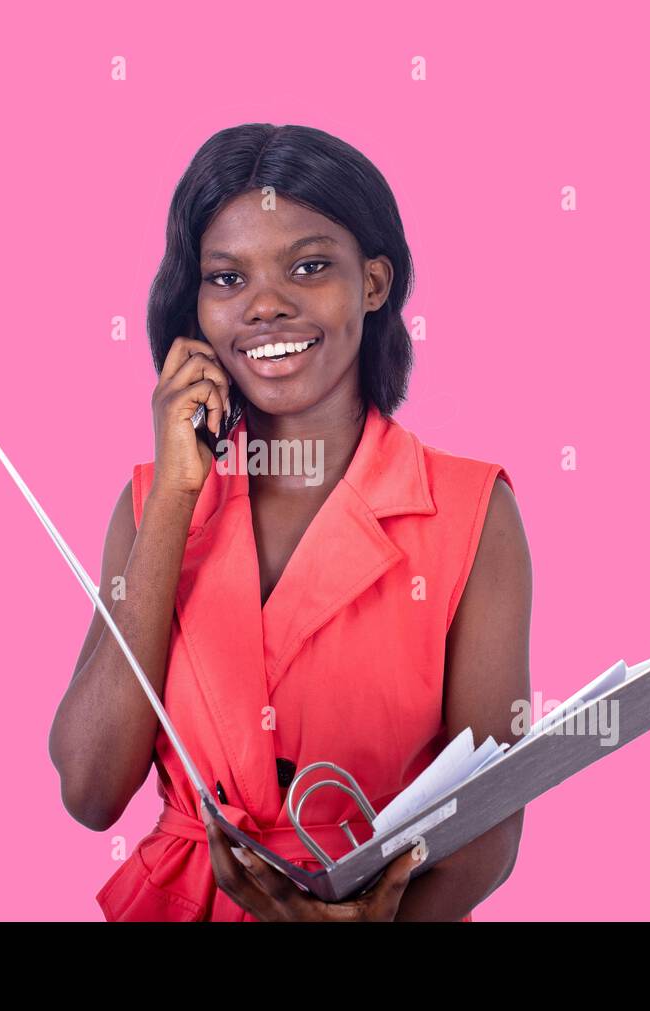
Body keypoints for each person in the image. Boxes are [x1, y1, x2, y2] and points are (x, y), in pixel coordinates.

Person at [49, 124, 532, 921]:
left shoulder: (472, 512)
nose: (266, 304)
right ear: (195, 305)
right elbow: (91, 787)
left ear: (373, 282)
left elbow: (493, 809)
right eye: (227, 277)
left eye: (309, 266)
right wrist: (176, 494)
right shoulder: (150, 502)